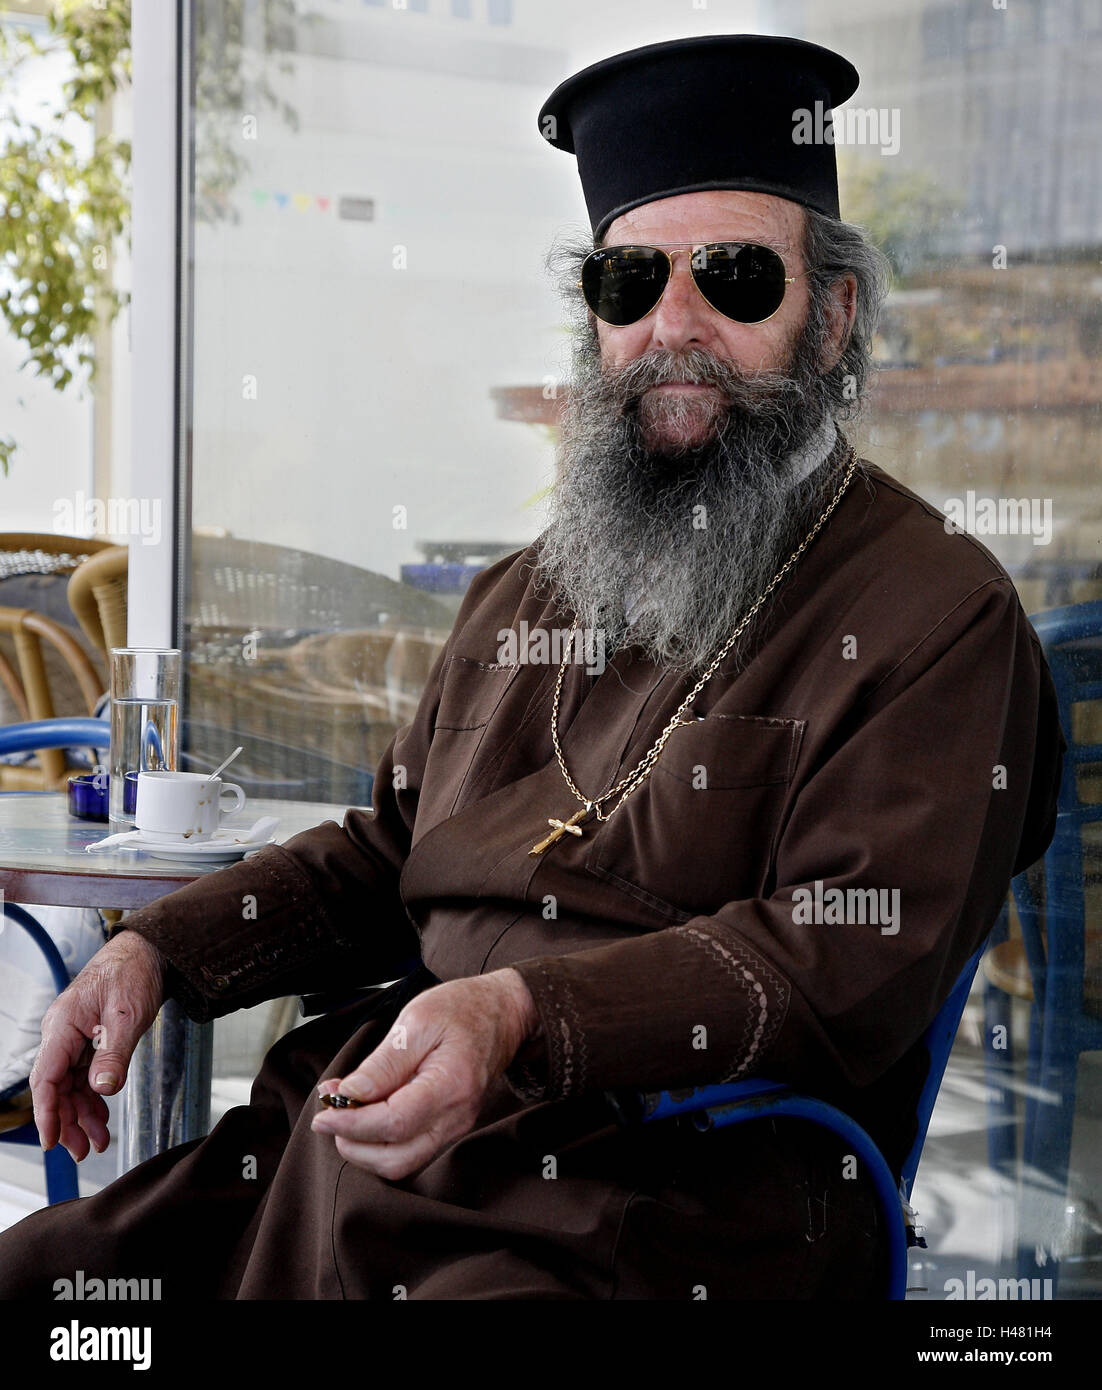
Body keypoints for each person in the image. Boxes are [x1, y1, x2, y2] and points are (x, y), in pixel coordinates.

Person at [0, 34, 1064, 1301]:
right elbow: (384, 855)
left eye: (732, 277)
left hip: (668, 1193)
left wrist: (518, 1015)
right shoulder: (525, 594)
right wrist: (157, 952)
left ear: (831, 315)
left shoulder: (936, 613)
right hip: (362, 1139)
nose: (673, 325)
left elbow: (838, 970)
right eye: (627, 282)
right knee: (49, 1293)